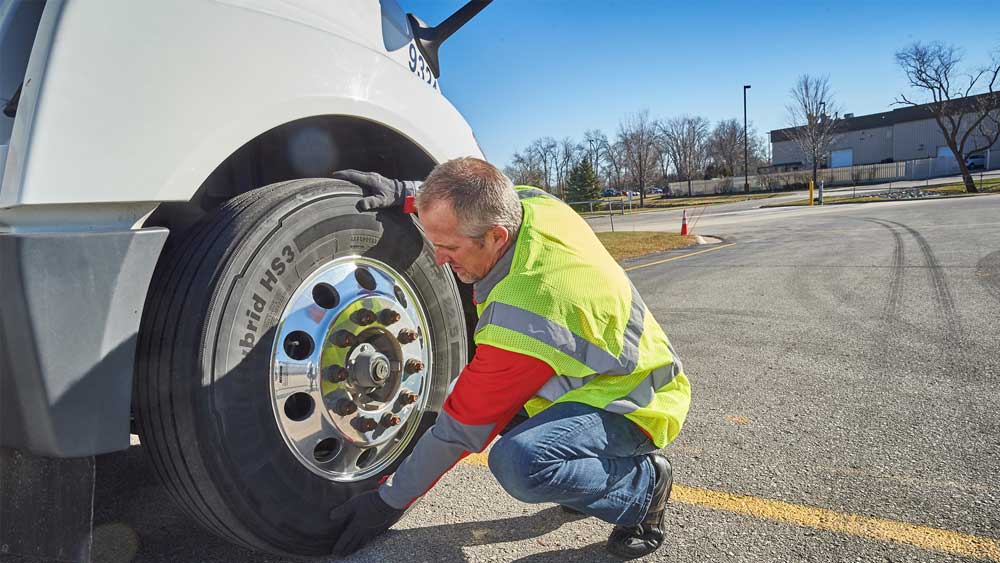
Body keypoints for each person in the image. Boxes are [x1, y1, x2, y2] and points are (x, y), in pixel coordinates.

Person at [328, 158, 691, 560]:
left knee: (522, 463)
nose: (440, 259)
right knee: (468, 397)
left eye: (449, 247)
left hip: (637, 399)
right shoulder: (533, 205)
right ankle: (581, 474)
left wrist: (386, 503)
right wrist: (407, 193)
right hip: (590, 377)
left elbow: (459, 430)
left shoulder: (530, 308)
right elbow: (478, 193)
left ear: (497, 237)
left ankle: (642, 489)